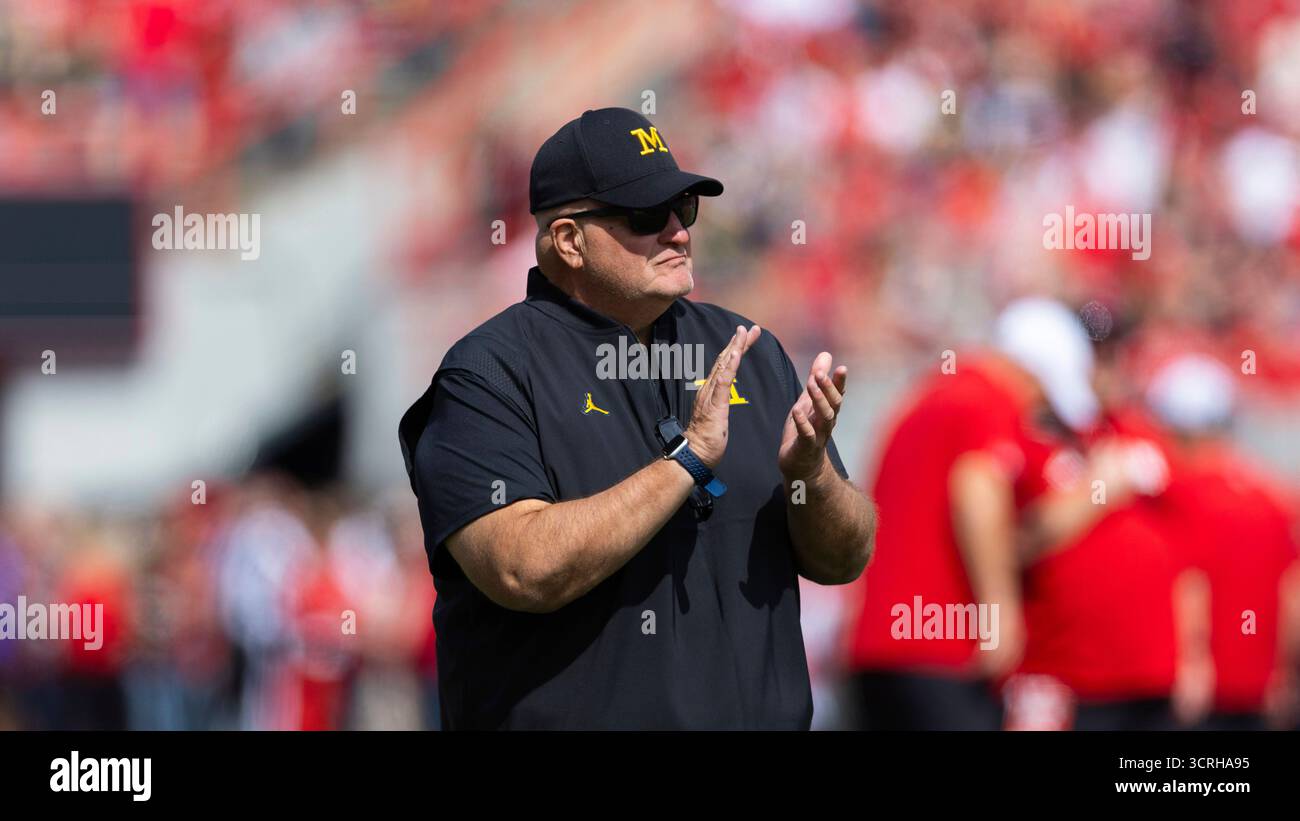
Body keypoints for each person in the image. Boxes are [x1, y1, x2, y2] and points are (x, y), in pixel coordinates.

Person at [398, 107, 876, 729]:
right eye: (648, 216)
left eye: (686, 209)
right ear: (569, 240)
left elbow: (845, 560)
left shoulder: (746, 349)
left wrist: (810, 475)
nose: (678, 232)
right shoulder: (487, 375)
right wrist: (686, 463)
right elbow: (521, 567)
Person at [844, 298, 1098, 730]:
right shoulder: (986, 400)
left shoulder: (928, 397)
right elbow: (978, 489)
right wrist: (999, 609)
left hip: (879, 650)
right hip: (940, 653)